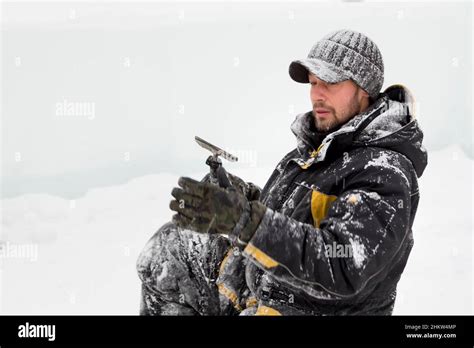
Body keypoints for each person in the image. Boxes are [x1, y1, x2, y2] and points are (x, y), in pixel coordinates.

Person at [137, 28, 428, 315]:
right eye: (313, 83)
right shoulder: (318, 149)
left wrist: (243, 220)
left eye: (329, 83)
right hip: (263, 288)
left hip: (305, 309)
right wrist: (241, 200)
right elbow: (293, 220)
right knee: (171, 250)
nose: (317, 94)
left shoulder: (384, 171)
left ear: (364, 89)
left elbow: (341, 265)